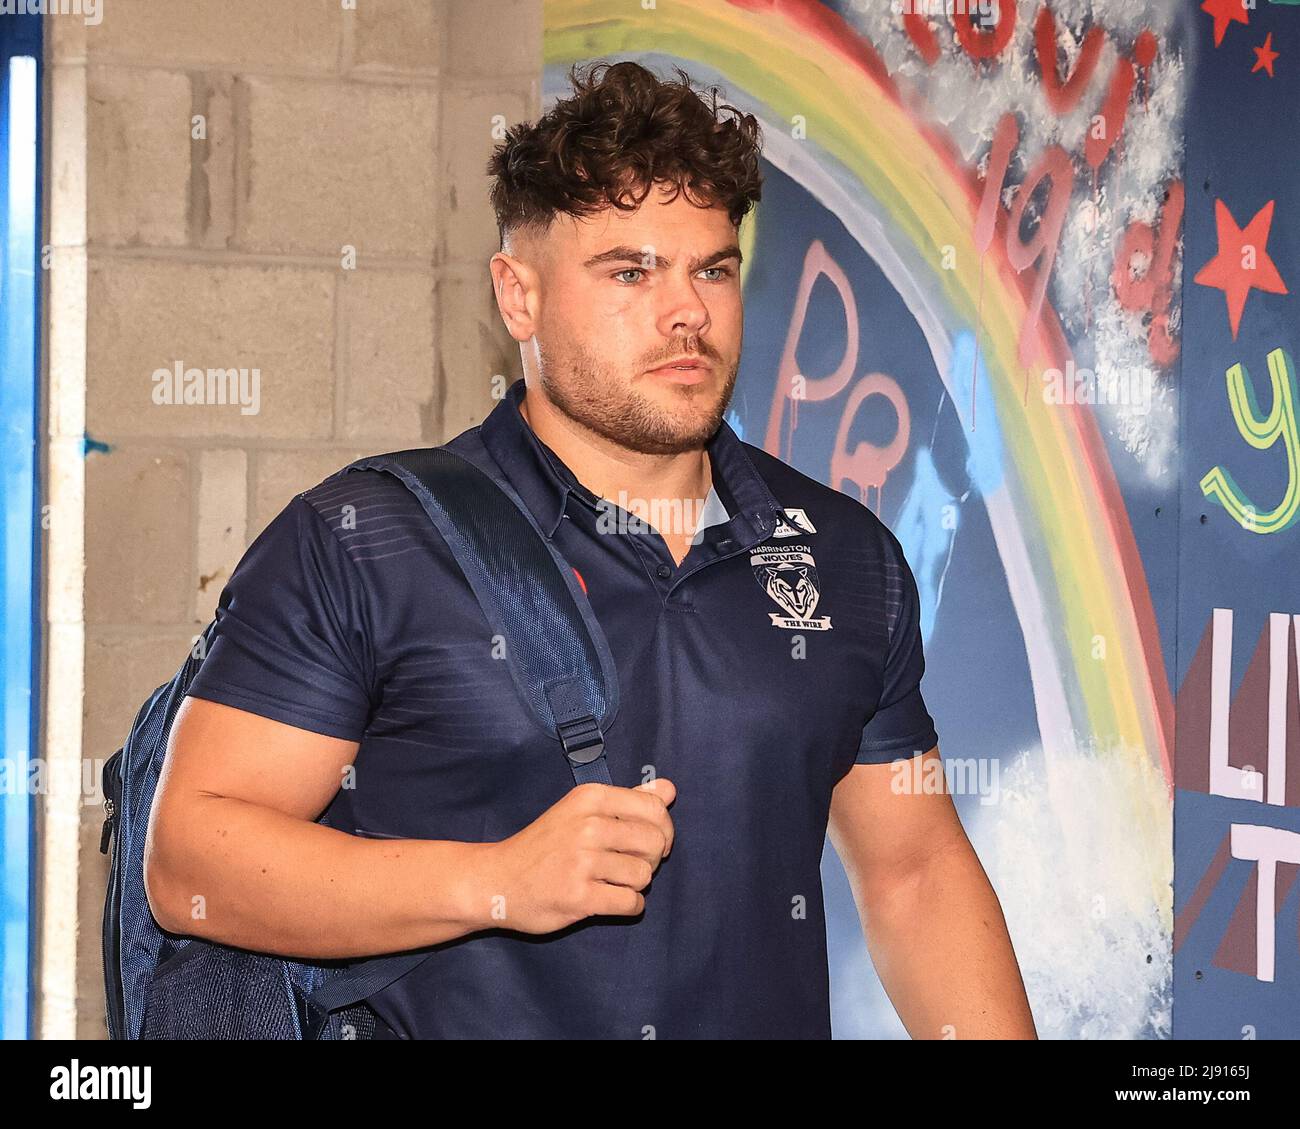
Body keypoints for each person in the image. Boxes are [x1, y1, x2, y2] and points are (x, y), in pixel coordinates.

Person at [144, 59, 1035, 1039]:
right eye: (629, 271)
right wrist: (494, 882)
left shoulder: (841, 557)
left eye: (711, 267)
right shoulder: (367, 542)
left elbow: (913, 872)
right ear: (517, 298)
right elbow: (191, 862)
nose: (685, 310)